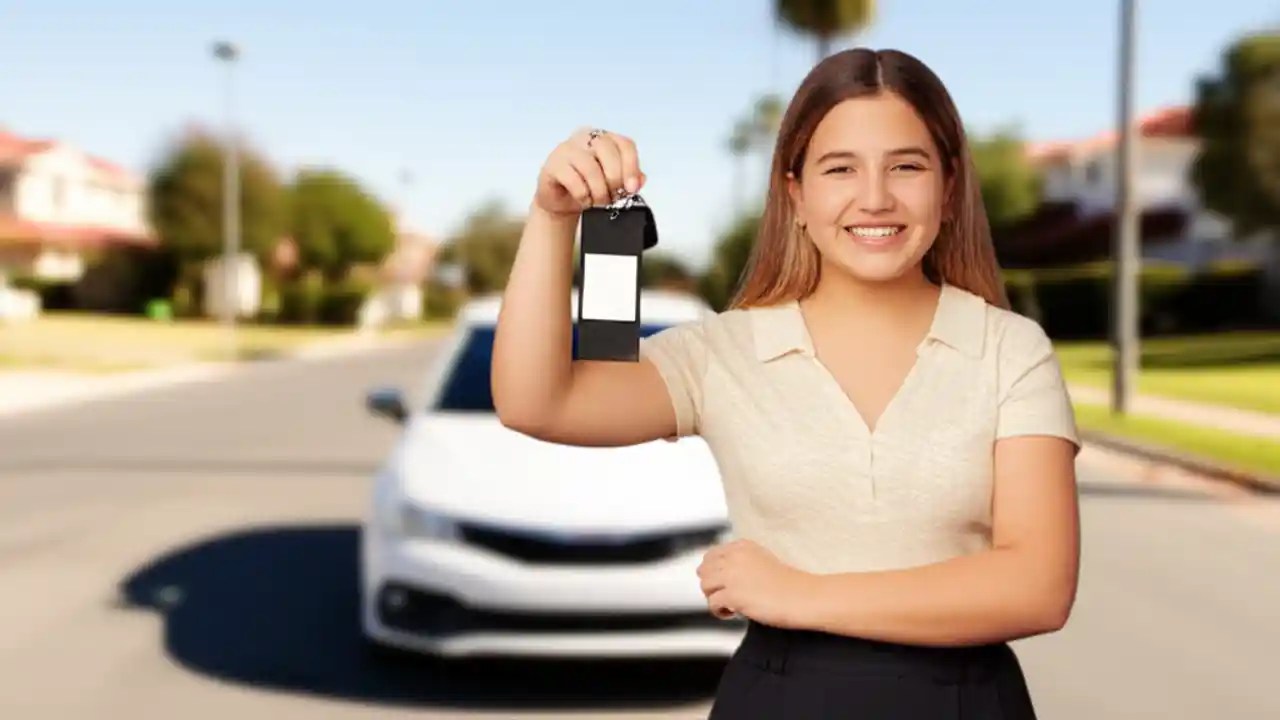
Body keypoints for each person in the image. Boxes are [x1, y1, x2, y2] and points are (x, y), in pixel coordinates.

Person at [492, 47, 1079, 719]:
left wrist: (797, 594)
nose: (876, 197)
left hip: (966, 703)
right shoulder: (725, 351)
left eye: (906, 166)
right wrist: (552, 215)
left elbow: (1037, 586)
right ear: (796, 194)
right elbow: (536, 401)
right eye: (840, 169)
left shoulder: (1011, 350)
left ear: (948, 189)